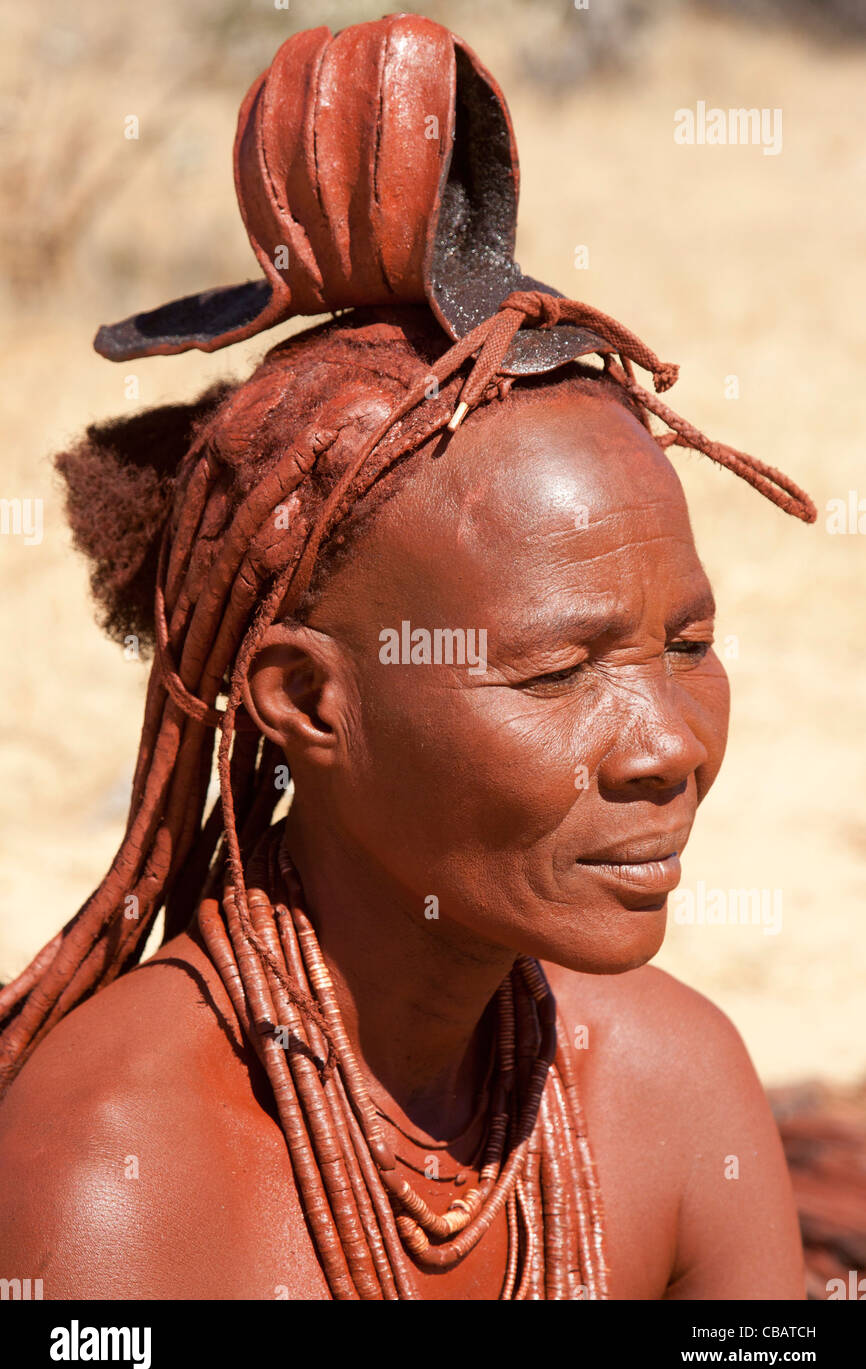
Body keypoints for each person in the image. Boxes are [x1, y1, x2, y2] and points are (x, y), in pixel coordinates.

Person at [0, 15, 814, 1300]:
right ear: (306, 703)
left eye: (687, 644)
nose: (666, 747)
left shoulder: (671, 1093)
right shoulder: (110, 1177)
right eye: (556, 673)